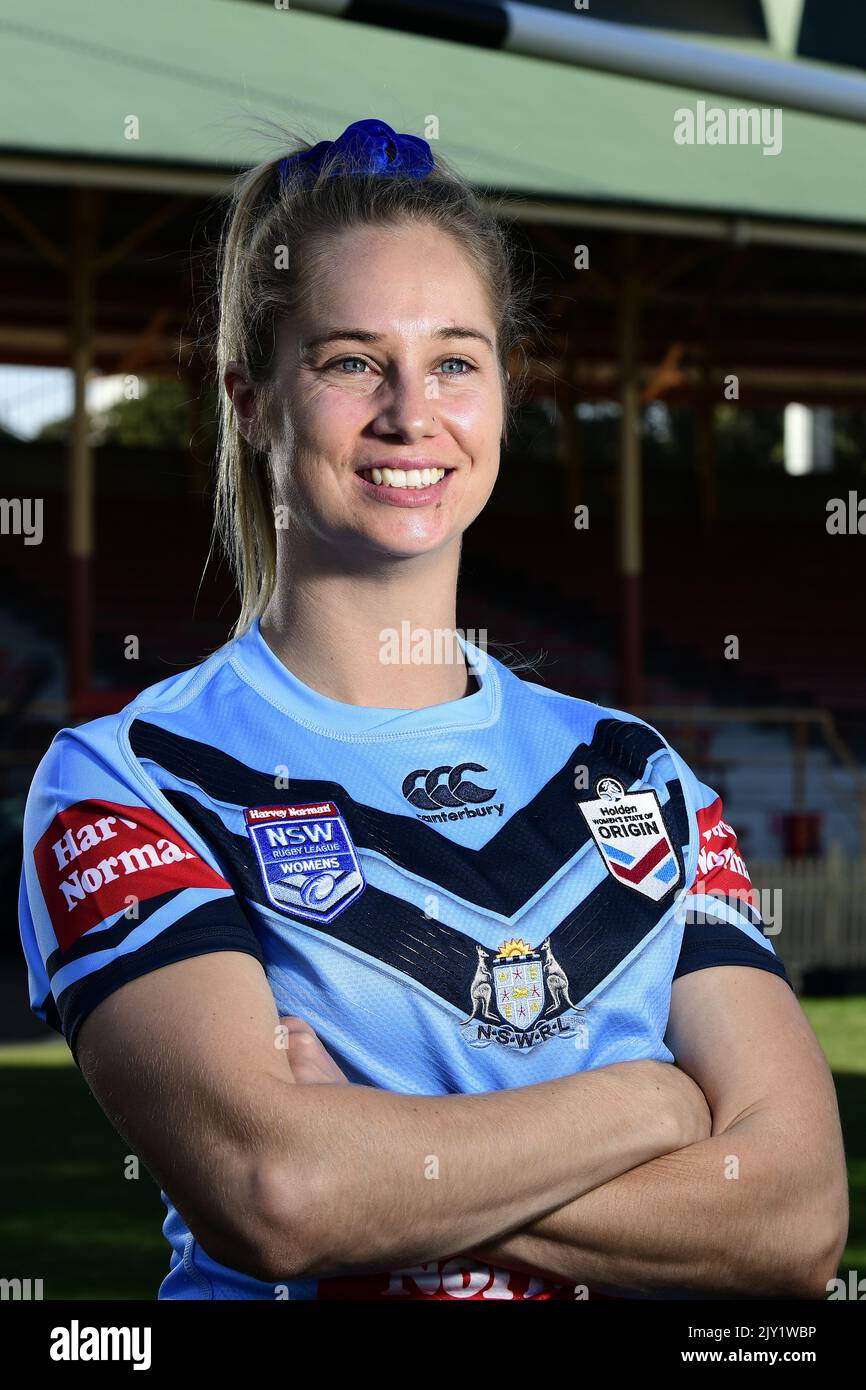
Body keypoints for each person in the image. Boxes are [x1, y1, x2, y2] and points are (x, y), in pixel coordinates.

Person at [18, 119, 847, 1301]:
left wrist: (376, 1150)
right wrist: (648, 1101)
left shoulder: (632, 772)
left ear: (502, 391)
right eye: (350, 360)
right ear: (249, 399)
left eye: (455, 360)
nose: (413, 413)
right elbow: (279, 1194)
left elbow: (794, 1220)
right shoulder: (130, 777)